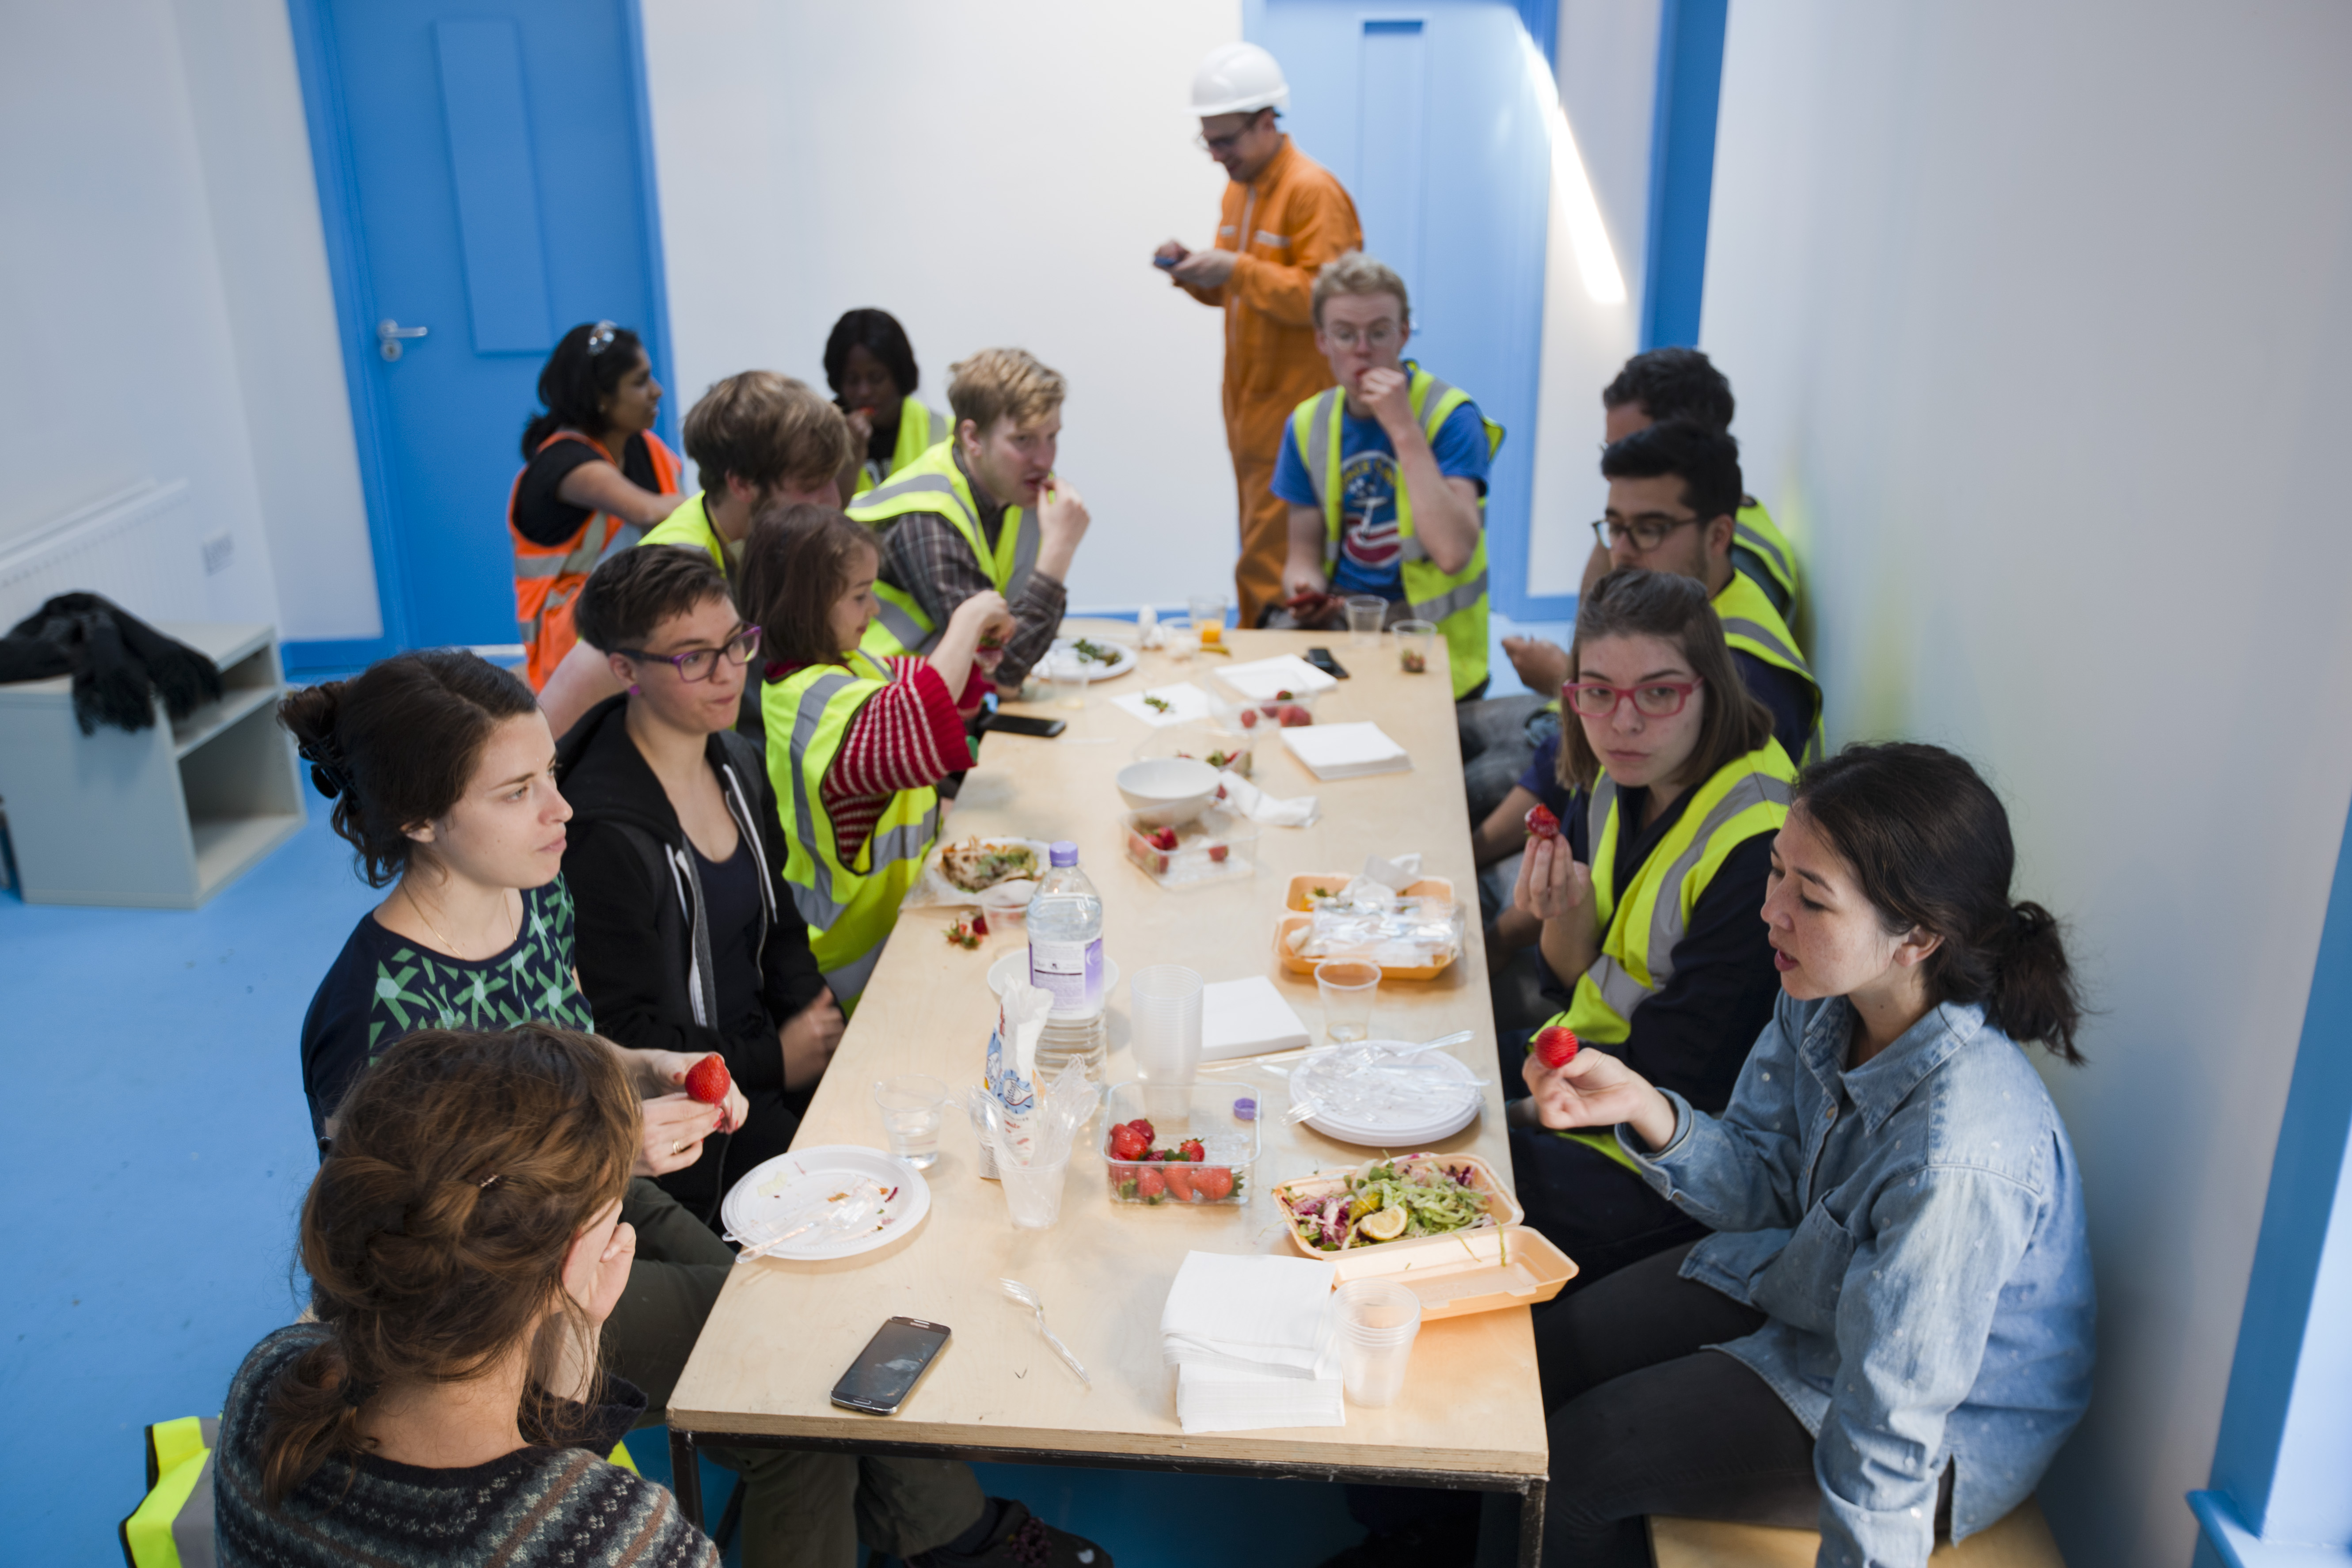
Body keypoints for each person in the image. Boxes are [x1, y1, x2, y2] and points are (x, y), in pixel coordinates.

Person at [279, 651, 1105, 1568]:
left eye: (550, 772)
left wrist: (643, 1068)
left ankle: (948, 1533)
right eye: (517, 792)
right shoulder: (374, 1011)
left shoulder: (530, 893)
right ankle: (946, 1534)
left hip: (597, 1205)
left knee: (823, 1308)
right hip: (501, 1298)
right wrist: (605, 1147)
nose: (560, 809)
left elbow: (569, 1043)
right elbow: (401, 1248)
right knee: (787, 1405)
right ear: (418, 818)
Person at [1522, 742, 2094, 1567]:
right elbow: (1765, 1179)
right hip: (1809, 1285)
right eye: (1775, 871)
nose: (1771, 911)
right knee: (1536, 1362)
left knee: (1576, 1463)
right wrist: (1648, 1109)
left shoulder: (1955, 1156)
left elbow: (1893, 1419)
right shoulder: (1825, 998)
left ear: (1917, 935)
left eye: (1811, 898)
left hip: (1937, 1430)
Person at [213, 1024, 720, 1567]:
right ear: (575, 1257)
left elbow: (545, 1500)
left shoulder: (265, 1386)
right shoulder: (640, 1546)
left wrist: (576, 1318)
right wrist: (574, 1315)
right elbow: (551, 1516)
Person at [1498, 569, 1794, 1288]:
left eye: (1658, 693)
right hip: (1579, 1060)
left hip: (1660, 1149)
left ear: (1709, 690)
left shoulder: (1758, 841)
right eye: (1597, 692)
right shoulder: (1620, 772)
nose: (1621, 722)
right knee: (1405, 1079)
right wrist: (1561, 910)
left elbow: (1685, 1075)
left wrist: (1508, 1115)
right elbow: (1571, 979)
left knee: (1444, 1177)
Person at [558, 546, 846, 1228]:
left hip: (768, 1061)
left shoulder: (736, 761)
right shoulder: (603, 832)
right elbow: (627, 1032)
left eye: (736, 643)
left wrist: (820, 1024)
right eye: (693, 657)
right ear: (625, 669)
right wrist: (777, 1060)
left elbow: (779, 925)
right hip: (695, 1120)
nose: (728, 673)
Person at [1463, 346, 1803, 818]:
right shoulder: (1652, 541)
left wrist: (1570, 681)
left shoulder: (1741, 616)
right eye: (1612, 453)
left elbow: (1632, 744)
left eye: (1648, 527)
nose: (1621, 549)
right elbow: (1599, 621)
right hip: (1573, 726)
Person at [741, 505, 1011, 1012]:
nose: (875, 609)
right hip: (848, 957)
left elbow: (926, 682)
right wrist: (969, 617)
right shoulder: (812, 702)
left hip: (897, 922)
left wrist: (975, 658)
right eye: (860, 595)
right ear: (806, 605)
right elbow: (919, 713)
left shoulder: (845, 663)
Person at [1156, 42, 1362, 625]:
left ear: (1267, 121)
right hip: (1249, 408)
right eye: (1208, 141)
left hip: (1298, 412)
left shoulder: (1311, 191)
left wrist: (1236, 269)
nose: (1216, 155)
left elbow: (1331, 303)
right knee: (1257, 547)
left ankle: (1272, 652)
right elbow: (1239, 291)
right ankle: (1261, 649)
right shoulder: (1239, 190)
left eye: (1225, 141)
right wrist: (1191, 273)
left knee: (1274, 561)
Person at [537, 371, 857, 737]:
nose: (833, 501)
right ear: (742, 484)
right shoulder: (672, 568)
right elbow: (557, 719)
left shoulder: (759, 538)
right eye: (811, 485)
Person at [1272, 252, 1500, 700]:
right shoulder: (1307, 423)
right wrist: (1306, 592)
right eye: (1345, 334)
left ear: (1403, 334)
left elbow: (1453, 553)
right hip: (1344, 617)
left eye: (1378, 332)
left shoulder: (1451, 416)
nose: (1362, 350)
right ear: (1322, 340)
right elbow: (1302, 556)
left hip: (1430, 634)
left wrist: (1401, 427)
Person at [845, 348, 1085, 692]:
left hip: (942, 704)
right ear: (973, 438)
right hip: (883, 703)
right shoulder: (927, 518)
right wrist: (1058, 553)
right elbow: (998, 671)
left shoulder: (1018, 493)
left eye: (1052, 437)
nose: (1044, 460)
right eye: (1023, 439)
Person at [509, 320, 683, 690]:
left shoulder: (648, 449)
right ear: (600, 397)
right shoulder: (565, 465)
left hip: (627, 621)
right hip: (567, 643)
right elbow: (648, 511)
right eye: (640, 382)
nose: (657, 391)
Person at [825, 308, 950, 498]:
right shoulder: (820, 436)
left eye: (876, 378)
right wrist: (851, 458)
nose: (864, 392)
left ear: (900, 375)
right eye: (852, 380)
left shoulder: (944, 431)